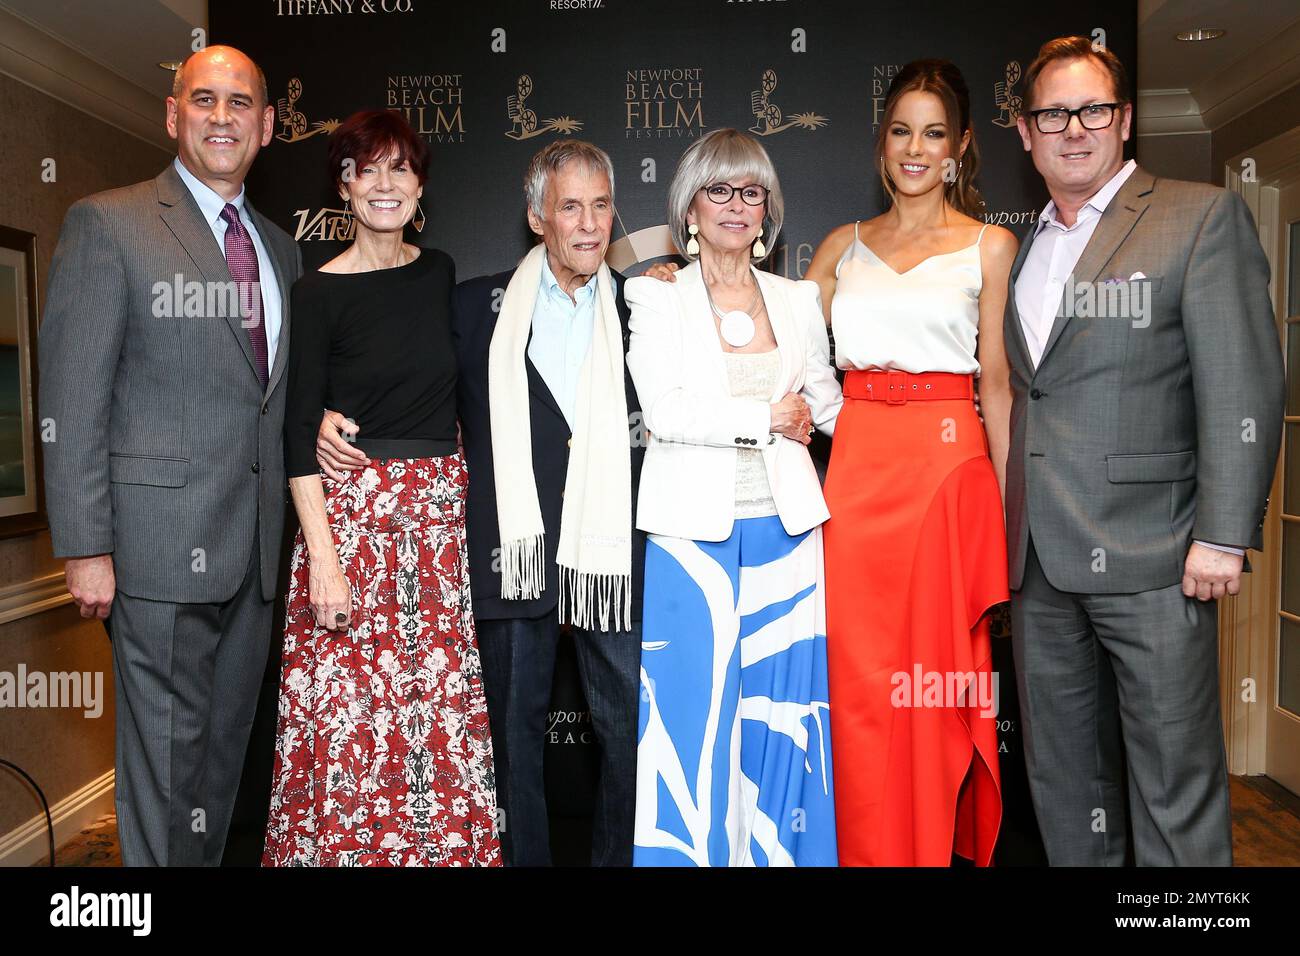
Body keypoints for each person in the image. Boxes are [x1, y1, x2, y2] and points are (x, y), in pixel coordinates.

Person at [317, 139, 645, 867]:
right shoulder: (471, 306)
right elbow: (393, 368)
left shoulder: (647, 306)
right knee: (510, 746)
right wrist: (318, 410)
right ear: (537, 217)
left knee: (628, 739)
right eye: (570, 206)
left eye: (600, 206)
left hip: (612, 555)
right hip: (509, 554)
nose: (589, 225)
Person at [1004, 36, 1284, 866]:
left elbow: (1244, 384)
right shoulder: (1024, 248)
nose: (1074, 130)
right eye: (1053, 114)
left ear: (1123, 120)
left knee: (1174, 785)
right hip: (1041, 567)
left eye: (1093, 110)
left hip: (1159, 557)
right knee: (1066, 787)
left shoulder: (1197, 216)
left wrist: (1223, 534)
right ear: (1025, 133)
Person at [38, 46, 301, 866]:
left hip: (254, 561)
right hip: (155, 558)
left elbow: (272, 399)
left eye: (239, 103)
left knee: (219, 773)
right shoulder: (107, 223)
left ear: (266, 124)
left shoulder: (279, 249)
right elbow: (73, 399)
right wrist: (86, 548)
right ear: (172, 113)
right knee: (161, 778)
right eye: (203, 100)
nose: (221, 117)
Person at [262, 110, 499, 866]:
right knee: (349, 727)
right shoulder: (315, 293)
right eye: (368, 170)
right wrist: (324, 563)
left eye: (400, 168)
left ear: (419, 183)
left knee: (433, 724)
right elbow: (299, 436)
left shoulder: (440, 274)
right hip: (351, 531)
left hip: (432, 539)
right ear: (346, 185)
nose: (385, 184)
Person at [806, 59, 1018, 866]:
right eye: (901, 131)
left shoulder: (990, 246)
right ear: (880, 144)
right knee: (858, 688)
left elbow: (995, 387)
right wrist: (678, 275)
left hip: (947, 477)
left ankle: (924, 849)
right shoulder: (839, 248)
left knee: (932, 691)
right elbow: (767, 326)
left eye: (934, 132)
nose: (916, 149)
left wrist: (1002, 516)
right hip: (856, 477)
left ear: (960, 144)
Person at [626, 128, 841, 866]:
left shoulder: (799, 296)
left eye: (752, 191)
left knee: (785, 723)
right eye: (719, 189)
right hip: (692, 539)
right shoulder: (654, 296)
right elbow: (665, 411)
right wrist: (764, 419)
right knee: (690, 727)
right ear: (689, 205)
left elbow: (829, 406)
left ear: (769, 208)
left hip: (788, 534)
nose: (736, 205)